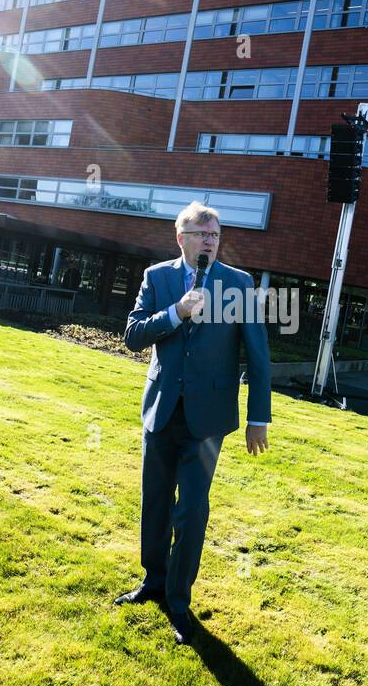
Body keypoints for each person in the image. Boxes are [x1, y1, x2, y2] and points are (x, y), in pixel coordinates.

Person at [114, 202, 271, 644]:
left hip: (207, 421)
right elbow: (132, 335)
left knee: (191, 510)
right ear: (179, 237)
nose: (209, 240)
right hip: (162, 412)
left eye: (215, 234)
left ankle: (179, 604)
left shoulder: (239, 285)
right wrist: (176, 313)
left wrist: (259, 417)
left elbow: (257, 357)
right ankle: (154, 581)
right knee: (156, 502)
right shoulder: (157, 278)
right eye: (201, 233)